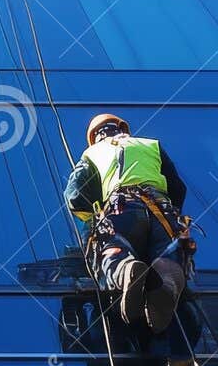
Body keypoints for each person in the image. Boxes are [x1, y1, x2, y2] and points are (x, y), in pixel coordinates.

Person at [65, 113, 191, 334]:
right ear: (122, 129)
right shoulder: (150, 144)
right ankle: (167, 284)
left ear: (95, 136)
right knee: (167, 251)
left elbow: (75, 196)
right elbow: (178, 187)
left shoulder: (92, 153)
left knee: (111, 248)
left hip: (120, 209)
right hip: (161, 210)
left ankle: (125, 270)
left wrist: (93, 217)